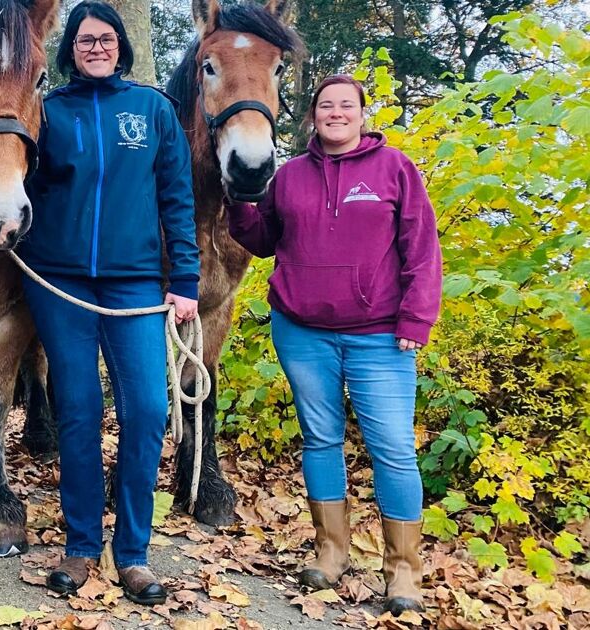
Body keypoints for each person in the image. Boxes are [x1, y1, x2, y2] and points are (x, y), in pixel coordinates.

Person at [227, 74, 442, 616]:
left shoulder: (396, 170)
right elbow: (264, 239)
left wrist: (416, 321)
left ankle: (403, 573)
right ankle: (331, 553)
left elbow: (421, 251)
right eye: (326, 105)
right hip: (302, 332)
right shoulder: (290, 175)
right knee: (320, 441)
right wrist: (239, 204)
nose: (337, 113)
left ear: (363, 114)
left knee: (392, 449)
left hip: (380, 338)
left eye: (347, 105)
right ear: (312, 116)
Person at [14, 1, 200, 606]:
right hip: (60, 282)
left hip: (136, 284)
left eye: (107, 38)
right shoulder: (48, 110)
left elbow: (176, 198)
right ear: (71, 49)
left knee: (146, 408)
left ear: (122, 45)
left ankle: (134, 553)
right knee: (78, 409)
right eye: (86, 39)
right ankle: (82, 544)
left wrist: (186, 280)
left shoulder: (152, 109)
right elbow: (13, 170)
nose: (97, 47)